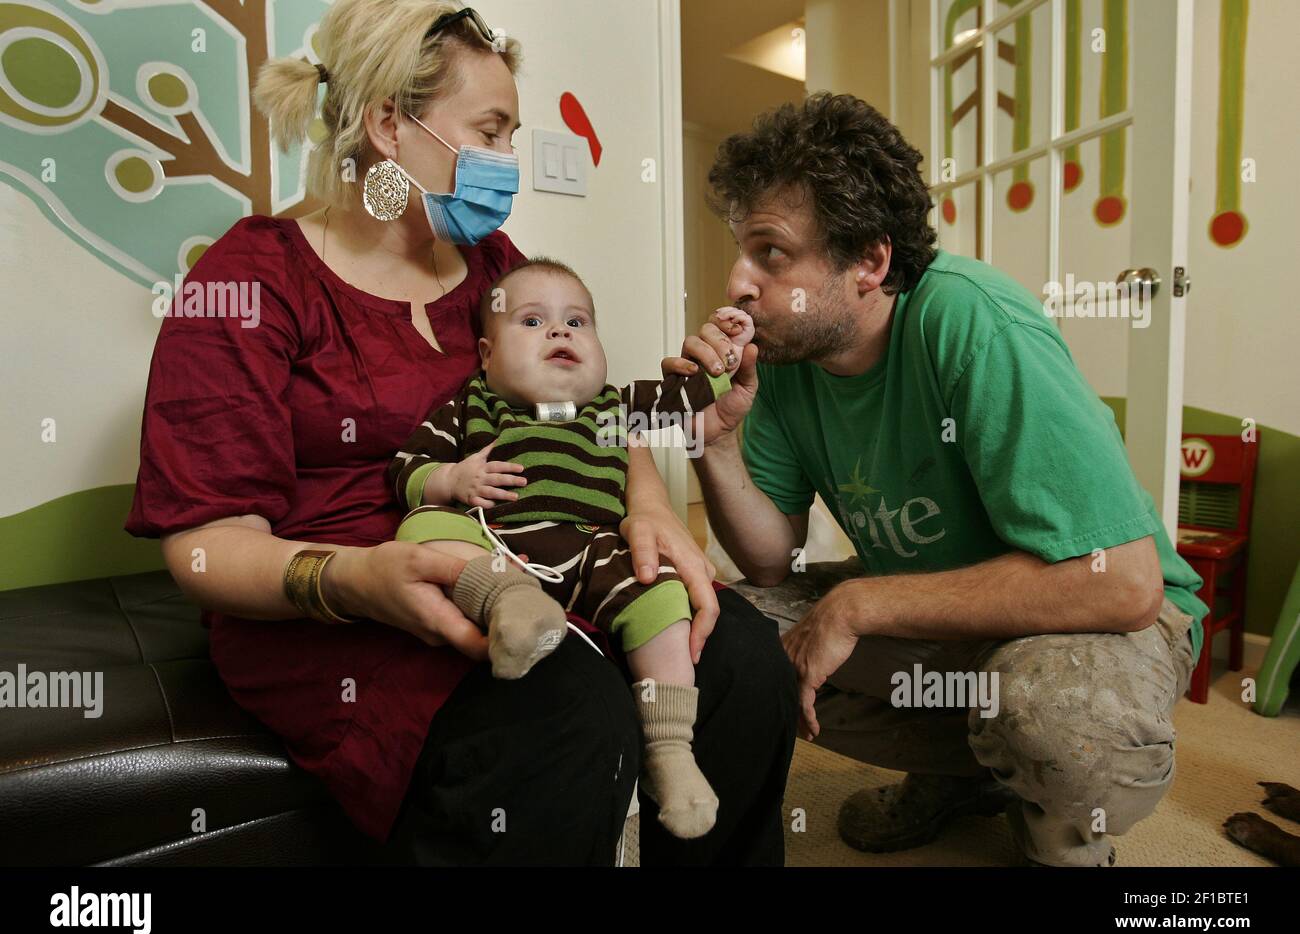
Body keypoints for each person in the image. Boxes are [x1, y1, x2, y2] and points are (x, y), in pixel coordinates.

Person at [124, 0, 796, 866]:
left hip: (532, 550)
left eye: (512, 135)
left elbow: (581, 401)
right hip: (337, 602)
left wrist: (649, 502)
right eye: (490, 132)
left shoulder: (495, 268)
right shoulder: (250, 281)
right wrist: (360, 577)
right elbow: (206, 548)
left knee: (743, 660)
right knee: (567, 714)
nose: (509, 162)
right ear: (387, 126)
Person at [670, 92, 1209, 867]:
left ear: (870, 261)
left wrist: (864, 601)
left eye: (771, 253)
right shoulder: (790, 360)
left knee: (1056, 721)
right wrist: (713, 446)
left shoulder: (971, 321)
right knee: (710, 634)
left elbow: (1123, 584)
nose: (738, 283)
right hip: (950, 607)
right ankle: (969, 775)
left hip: (1099, 614)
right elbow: (769, 562)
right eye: (740, 252)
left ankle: (1062, 831)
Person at [388, 258, 754, 839]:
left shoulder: (612, 406)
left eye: (578, 322)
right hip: (499, 546)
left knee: (661, 597)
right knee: (424, 527)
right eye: (532, 322)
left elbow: (686, 394)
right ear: (486, 355)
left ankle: (670, 749)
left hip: (596, 550)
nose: (561, 332)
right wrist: (451, 482)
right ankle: (510, 604)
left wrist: (727, 349)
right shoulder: (473, 406)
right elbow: (408, 469)